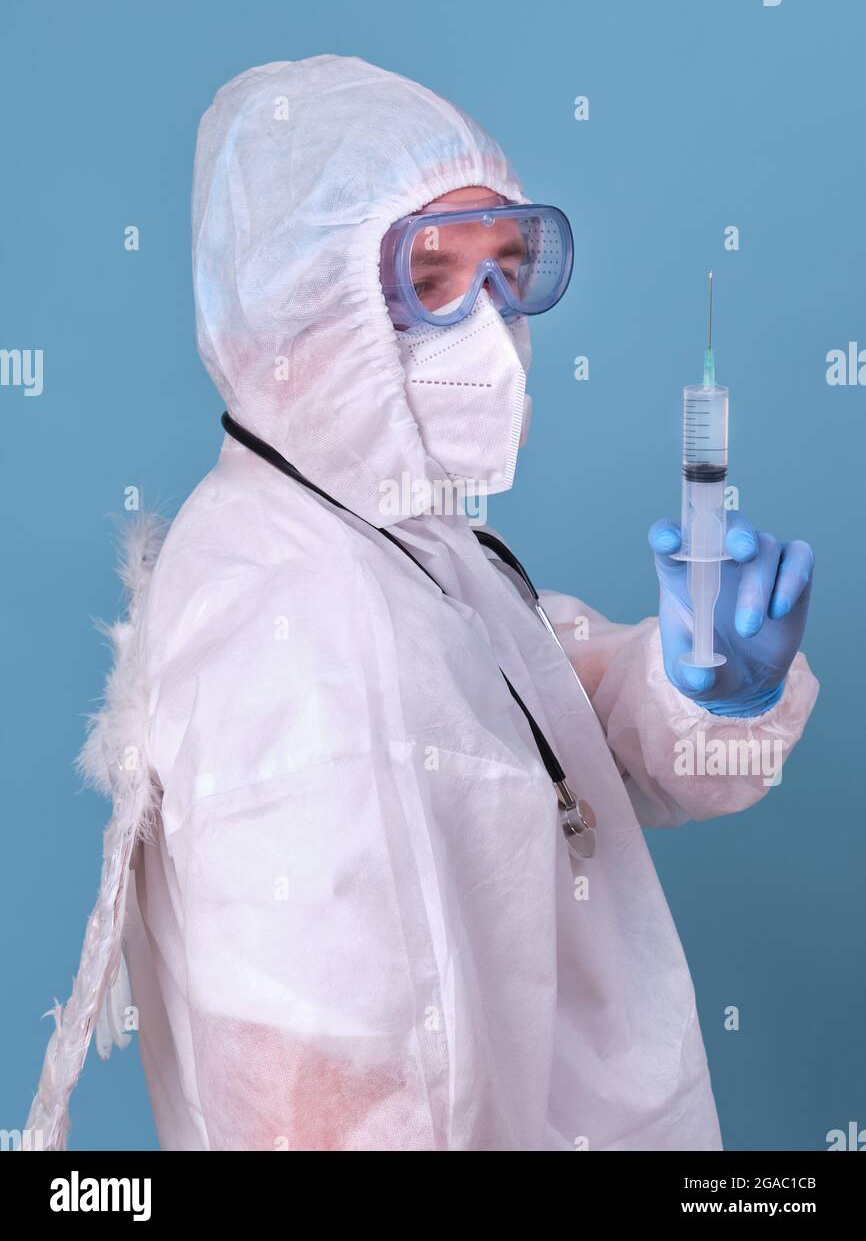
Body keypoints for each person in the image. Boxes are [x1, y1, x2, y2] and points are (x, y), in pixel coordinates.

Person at [25, 55, 818, 1152]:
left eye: (506, 272)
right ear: (292, 312)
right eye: (431, 280)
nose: (489, 330)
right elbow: (310, 1110)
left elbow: (555, 733)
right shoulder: (283, 622)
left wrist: (702, 690)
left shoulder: (405, 536)